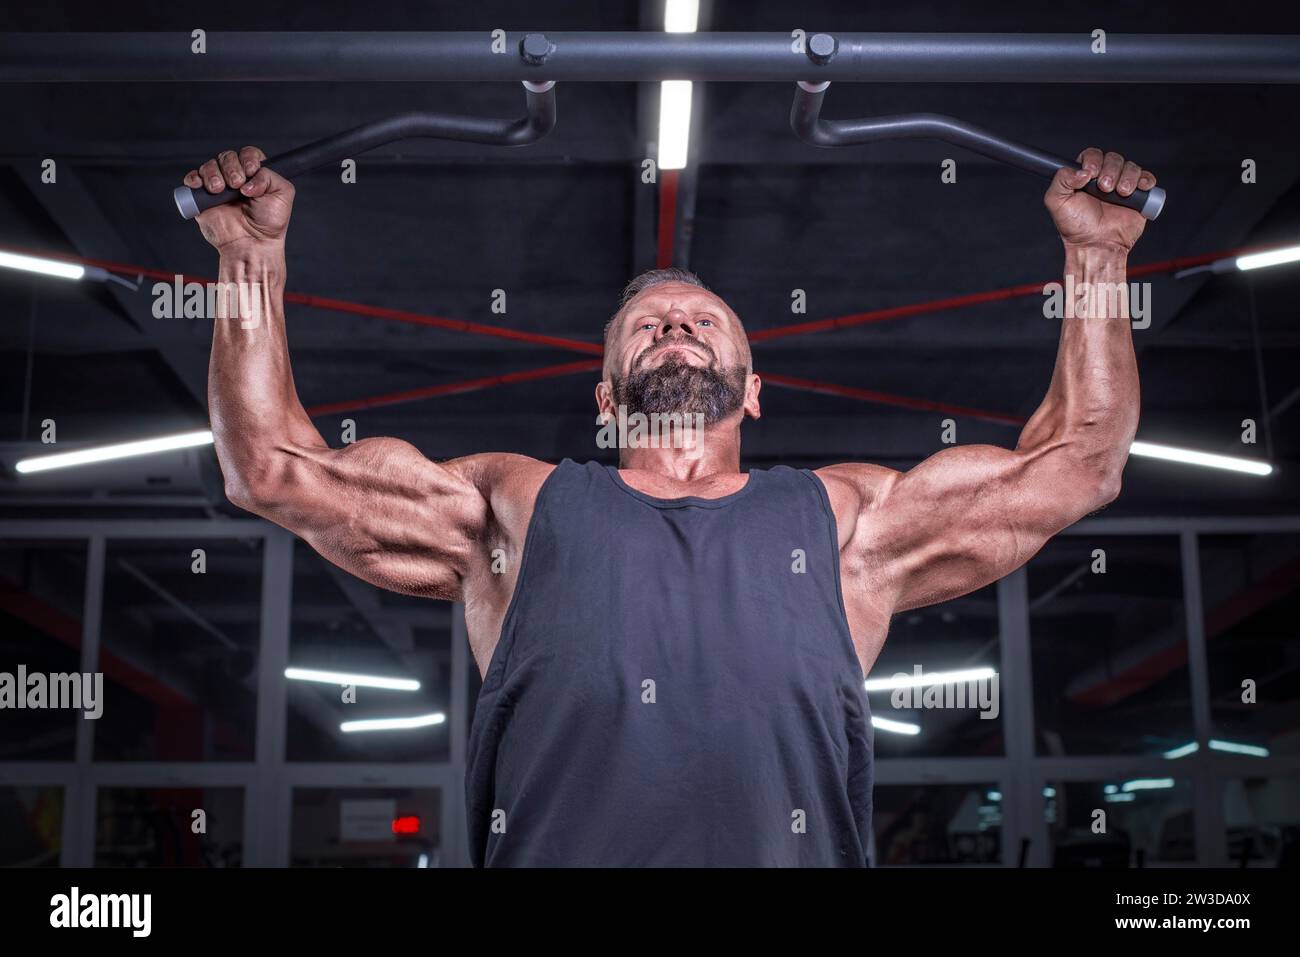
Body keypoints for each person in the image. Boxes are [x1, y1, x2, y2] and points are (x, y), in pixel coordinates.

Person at [184, 145, 1155, 866]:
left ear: (754, 388)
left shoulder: (842, 520)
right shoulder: (519, 507)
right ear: (605, 397)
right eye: (648, 326)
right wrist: (248, 257)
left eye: (703, 321)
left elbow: (1077, 468)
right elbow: (271, 469)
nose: (678, 323)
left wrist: (1099, 258)